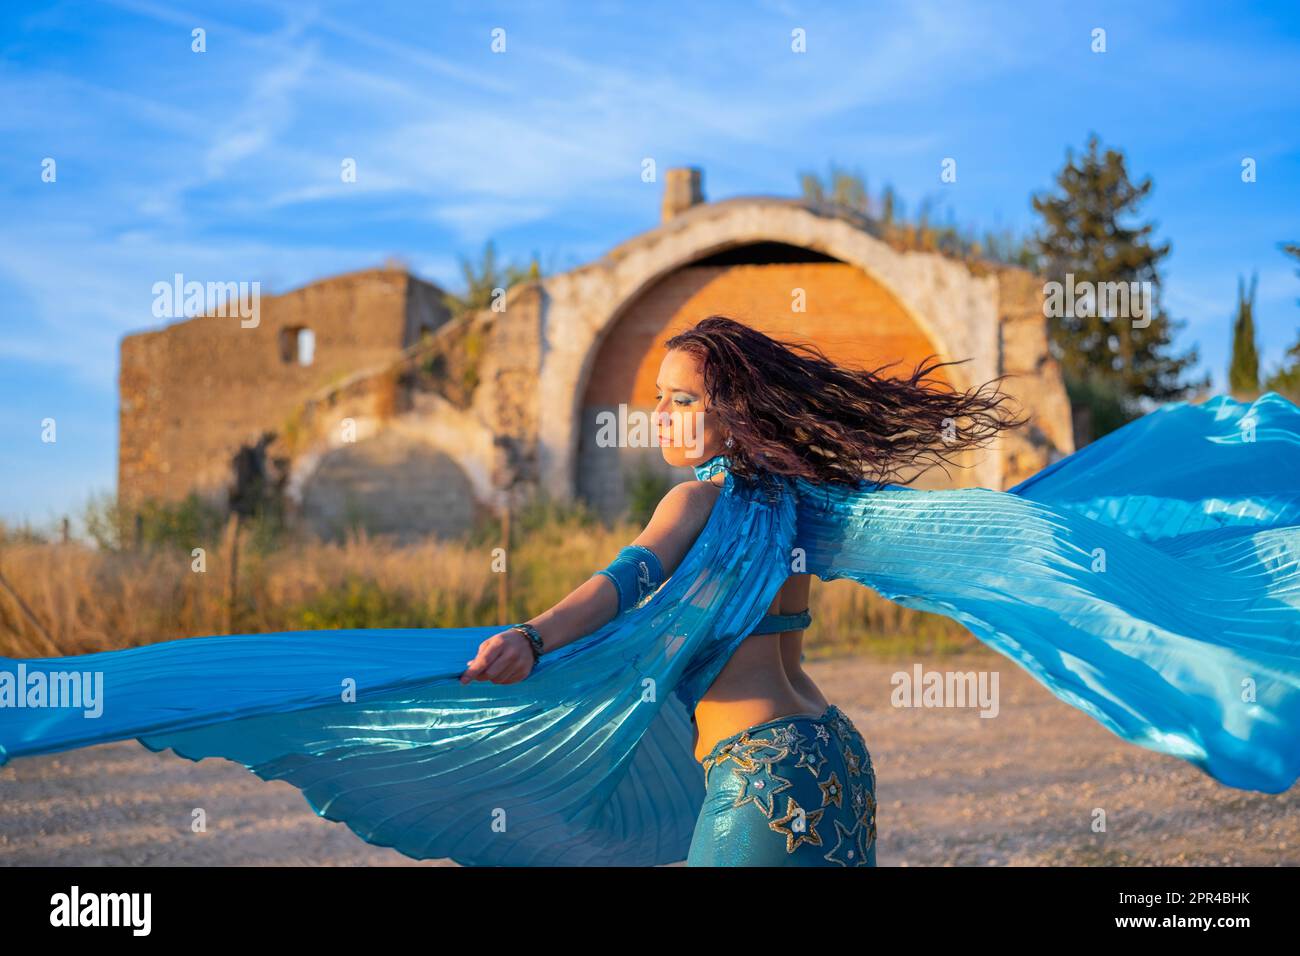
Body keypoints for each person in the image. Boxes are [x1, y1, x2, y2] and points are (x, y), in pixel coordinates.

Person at [3, 316, 1299, 867]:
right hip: (835, 762)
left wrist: (526, 633)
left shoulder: (709, 502)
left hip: (765, 779)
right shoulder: (818, 513)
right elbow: (1008, 540)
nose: (666, 422)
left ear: (732, 405)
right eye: (657, 406)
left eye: (683, 400)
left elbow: (615, 590)